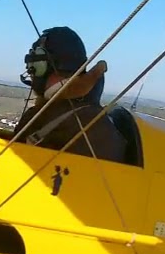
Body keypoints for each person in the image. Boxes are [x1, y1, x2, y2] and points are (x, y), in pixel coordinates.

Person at [13, 27, 127, 163]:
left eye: (33, 65)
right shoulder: (85, 114)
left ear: (43, 66)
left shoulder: (70, 125)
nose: (30, 73)